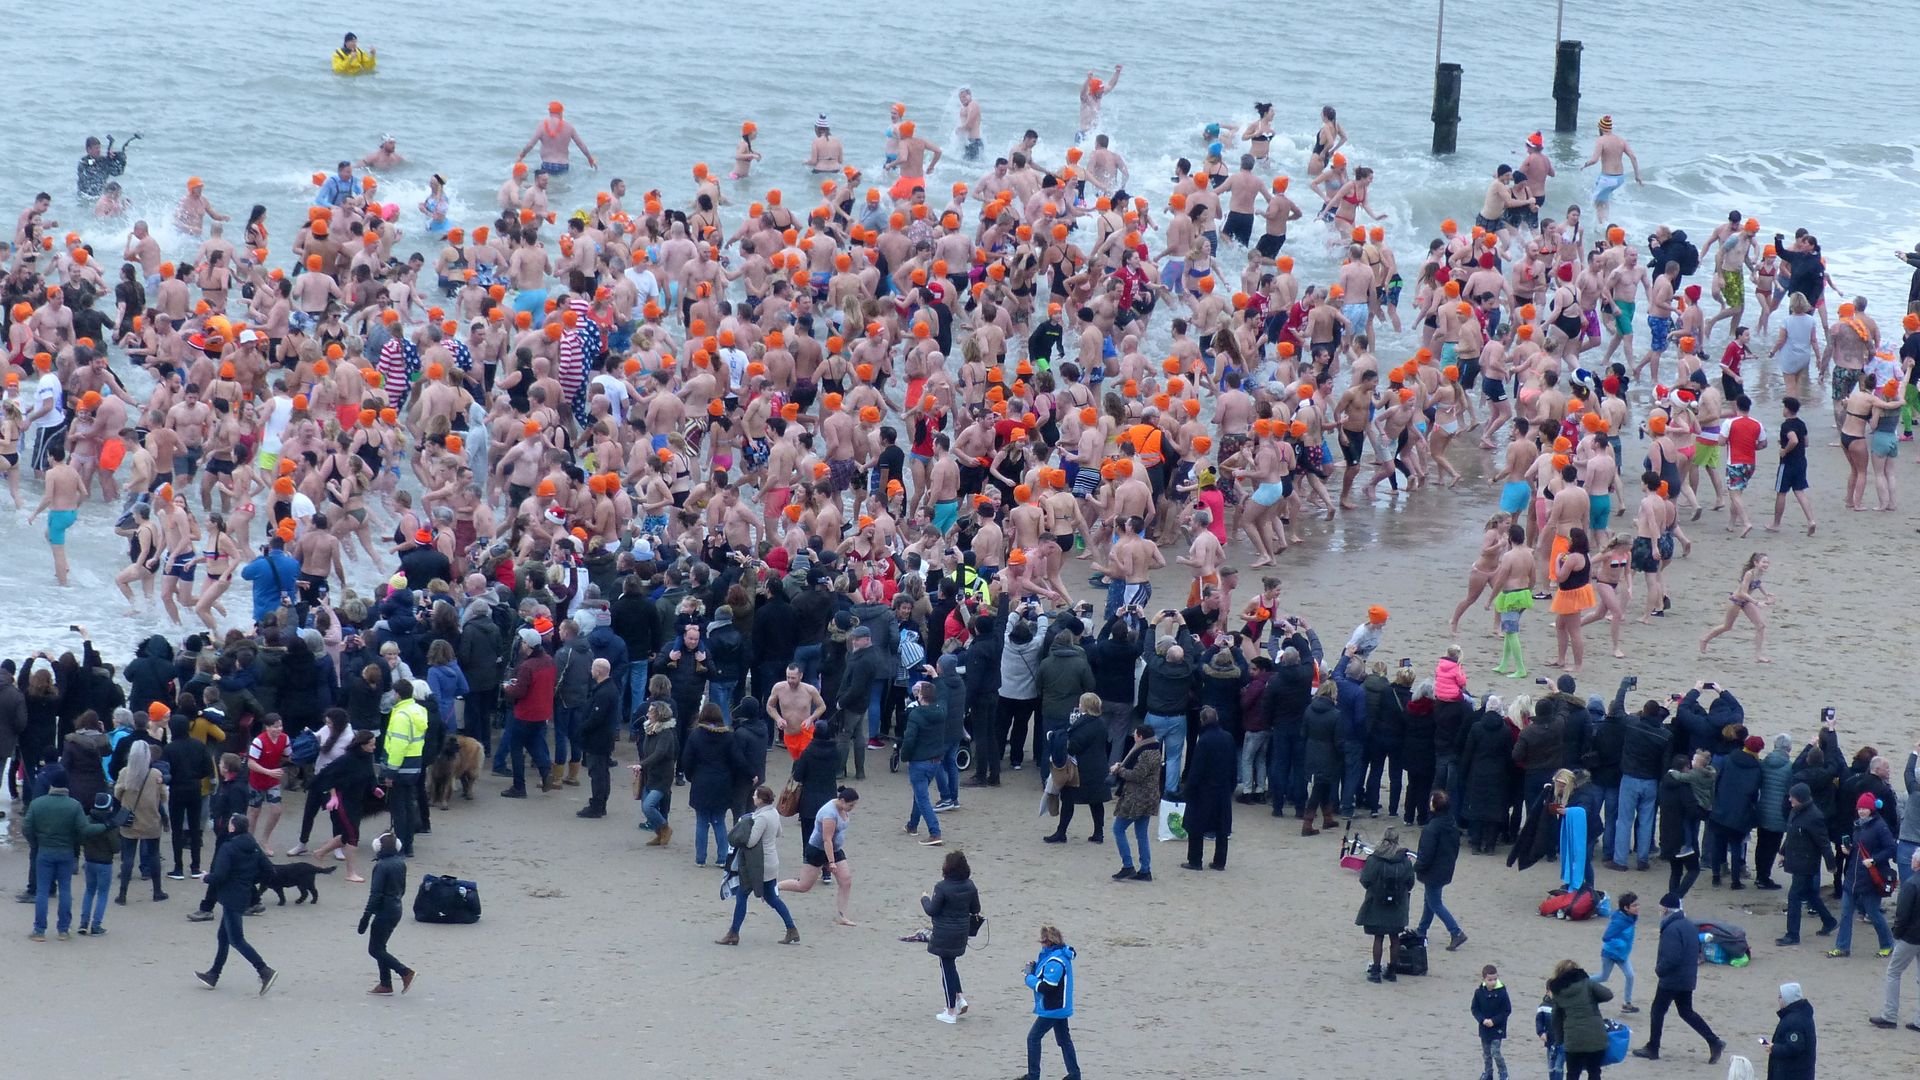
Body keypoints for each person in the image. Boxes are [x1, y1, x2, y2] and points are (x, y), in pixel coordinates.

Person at [1632, 892, 1725, 1063]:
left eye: (1660, 908)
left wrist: (1659, 970)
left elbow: (1671, 957)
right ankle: (1714, 1041)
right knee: (1686, 1011)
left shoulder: (1672, 929)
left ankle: (1653, 1048)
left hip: (1672, 979)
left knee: (1658, 1010)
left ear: (1666, 909)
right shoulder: (1688, 925)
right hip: (1687, 977)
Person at [196, 813, 279, 995]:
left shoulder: (228, 847)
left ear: (232, 828)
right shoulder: (253, 845)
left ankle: (264, 970)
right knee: (223, 937)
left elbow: (220, 875)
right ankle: (213, 974)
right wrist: (248, 881)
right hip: (242, 895)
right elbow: (269, 870)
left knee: (236, 939)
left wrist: (206, 878)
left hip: (231, 897)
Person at [716, 785, 797, 946]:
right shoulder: (773, 812)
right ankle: (791, 929)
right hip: (771, 861)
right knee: (772, 898)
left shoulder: (761, 818)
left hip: (758, 865)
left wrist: (743, 832)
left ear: (760, 800)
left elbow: (751, 841)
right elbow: (779, 833)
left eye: (755, 796)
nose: (753, 797)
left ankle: (734, 933)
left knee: (742, 895)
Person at [1829, 790, 1897, 958]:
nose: (1861, 811)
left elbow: (1891, 848)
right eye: (1859, 808)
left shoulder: (1880, 826)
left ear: (1872, 809)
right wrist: (1849, 850)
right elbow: (1859, 850)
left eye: (1864, 808)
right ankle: (1842, 947)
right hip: (1853, 876)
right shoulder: (1858, 824)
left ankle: (1888, 944)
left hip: (1870, 880)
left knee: (1873, 913)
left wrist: (1874, 860)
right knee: (1845, 914)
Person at [777, 786, 858, 926]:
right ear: (843, 800)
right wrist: (831, 862)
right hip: (817, 850)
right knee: (803, 885)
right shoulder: (829, 814)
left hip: (835, 848)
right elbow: (827, 839)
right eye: (851, 805)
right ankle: (775, 887)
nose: (852, 808)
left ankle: (841, 915)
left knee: (846, 880)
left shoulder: (841, 807)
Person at [22, 775, 86, 941]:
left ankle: (39, 930)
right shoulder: (74, 805)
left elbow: (27, 827)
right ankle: (63, 930)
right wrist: (74, 844)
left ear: (51, 785)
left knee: (42, 891)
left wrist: (35, 843)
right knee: (65, 889)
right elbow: (82, 829)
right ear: (67, 787)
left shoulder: (37, 804)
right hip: (66, 851)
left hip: (44, 851)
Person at [922, 849, 981, 1023]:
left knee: (946, 969)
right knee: (950, 964)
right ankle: (959, 998)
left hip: (944, 934)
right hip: (961, 932)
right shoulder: (970, 885)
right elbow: (975, 909)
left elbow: (932, 910)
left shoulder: (942, 887)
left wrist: (924, 899)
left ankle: (951, 1011)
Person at [1178, 705, 1236, 870]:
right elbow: (1233, 766)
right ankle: (1220, 861)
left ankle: (1195, 860)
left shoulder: (1203, 741)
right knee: (1221, 828)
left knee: (1195, 826)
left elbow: (1196, 770)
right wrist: (1231, 786)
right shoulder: (1228, 737)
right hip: (1223, 789)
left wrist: (1188, 790)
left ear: (1202, 721)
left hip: (1204, 791)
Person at [358, 831, 416, 995]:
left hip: (384, 911)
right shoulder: (400, 863)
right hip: (396, 908)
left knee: (374, 950)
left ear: (378, 847)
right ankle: (385, 984)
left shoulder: (381, 866)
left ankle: (405, 972)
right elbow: (402, 889)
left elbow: (375, 894)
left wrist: (366, 916)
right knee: (380, 947)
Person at [1020, 925, 1080, 1080]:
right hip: (1060, 1007)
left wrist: (1029, 978)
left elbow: (1048, 987)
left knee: (1033, 1038)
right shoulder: (1057, 955)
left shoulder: (1055, 961)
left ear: (1048, 942)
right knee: (1064, 1040)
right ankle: (1074, 1074)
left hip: (1054, 1008)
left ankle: (1033, 1076)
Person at [1357, 826, 1415, 982]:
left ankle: (1376, 971)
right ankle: (1392, 971)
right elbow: (1410, 883)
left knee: (1379, 937)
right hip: (1398, 905)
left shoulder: (1374, 859)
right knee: (1395, 938)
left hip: (1377, 903)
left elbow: (1365, 880)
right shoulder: (1405, 861)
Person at [113, 739, 168, 905]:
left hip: (130, 820)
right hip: (151, 820)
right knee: (153, 855)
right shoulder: (156, 775)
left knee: (128, 857)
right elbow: (164, 797)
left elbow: (117, 794)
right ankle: (157, 891)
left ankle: (123, 894)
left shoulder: (124, 773)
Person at [1873, 847, 1920, 1030]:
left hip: (1910, 937)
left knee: (1893, 972)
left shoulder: (1911, 884)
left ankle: (1890, 1015)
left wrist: (1897, 933)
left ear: (1916, 863)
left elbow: (1902, 914)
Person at [1547, 958, 1616, 1080]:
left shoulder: (1558, 992)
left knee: (1573, 1074)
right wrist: (1592, 999)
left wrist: (1559, 1041)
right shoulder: (1587, 983)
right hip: (1595, 1037)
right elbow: (1608, 994)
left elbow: (1556, 1019)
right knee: (1594, 1072)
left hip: (1573, 1041)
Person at [1415, 791, 1468, 951]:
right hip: (1445, 867)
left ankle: (1456, 931)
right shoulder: (1450, 823)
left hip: (1433, 870)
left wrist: (1417, 866)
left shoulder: (1432, 828)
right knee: (1429, 900)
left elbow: (1426, 853)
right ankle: (1421, 930)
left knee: (1434, 903)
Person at [1108, 723, 1161, 881]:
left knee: (1118, 829)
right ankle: (1145, 869)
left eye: (1136, 735)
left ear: (1140, 737)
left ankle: (1128, 865)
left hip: (1137, 798)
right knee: (1141, 834)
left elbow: (1137, 776)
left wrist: (1119, 770)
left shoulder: (1144, 753)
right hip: (1149, 797)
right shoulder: (1155, 750)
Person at [577, 658, 620, 818]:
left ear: (598, 671)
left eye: (593, 669)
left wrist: (582, 728)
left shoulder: (604, 692)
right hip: (604, 738)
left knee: (597, 773)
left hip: (598, 739)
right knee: (602, 772)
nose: (591, 671)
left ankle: (597, 805)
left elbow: (596, 717)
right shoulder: (608, 689)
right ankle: (600, 804)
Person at [1595, 891, 1640, 1012]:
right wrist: (1621, 944)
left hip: (1621, 955)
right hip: (1609, 954)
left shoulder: (1631, 917)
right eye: (1634, 905)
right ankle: (1581, 982)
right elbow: (1606, 937)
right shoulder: (1619, 921)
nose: (1637, 908)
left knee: (1630, 976)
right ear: (1626, 908)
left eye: (1637, 904)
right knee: (1603, 977)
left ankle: (1627, 1003)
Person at [1767, 983, 1816, 1079]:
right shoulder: (1800, 1015)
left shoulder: (1794, 1021)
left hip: (1792, 1074)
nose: (1778, 999)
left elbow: (1794, 1048)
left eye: (1780, 997)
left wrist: (1774, 1048)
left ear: (1788, 999)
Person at [1472, 964, 1512, 1080]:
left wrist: (1494, 1021)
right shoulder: (1479, 993)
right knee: (1486, 1054)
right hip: (1484, 1028)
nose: (1493, 982)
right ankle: (1488, 1073)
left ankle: (1503, 1073)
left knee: (1495, 1052)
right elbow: (1475, 1009)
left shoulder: (1502, 992)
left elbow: (1507, 1010)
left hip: (1497, 1028)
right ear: (1484, 979)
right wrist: (1482, 1020)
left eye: (1495, 979)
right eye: (1490, 980)